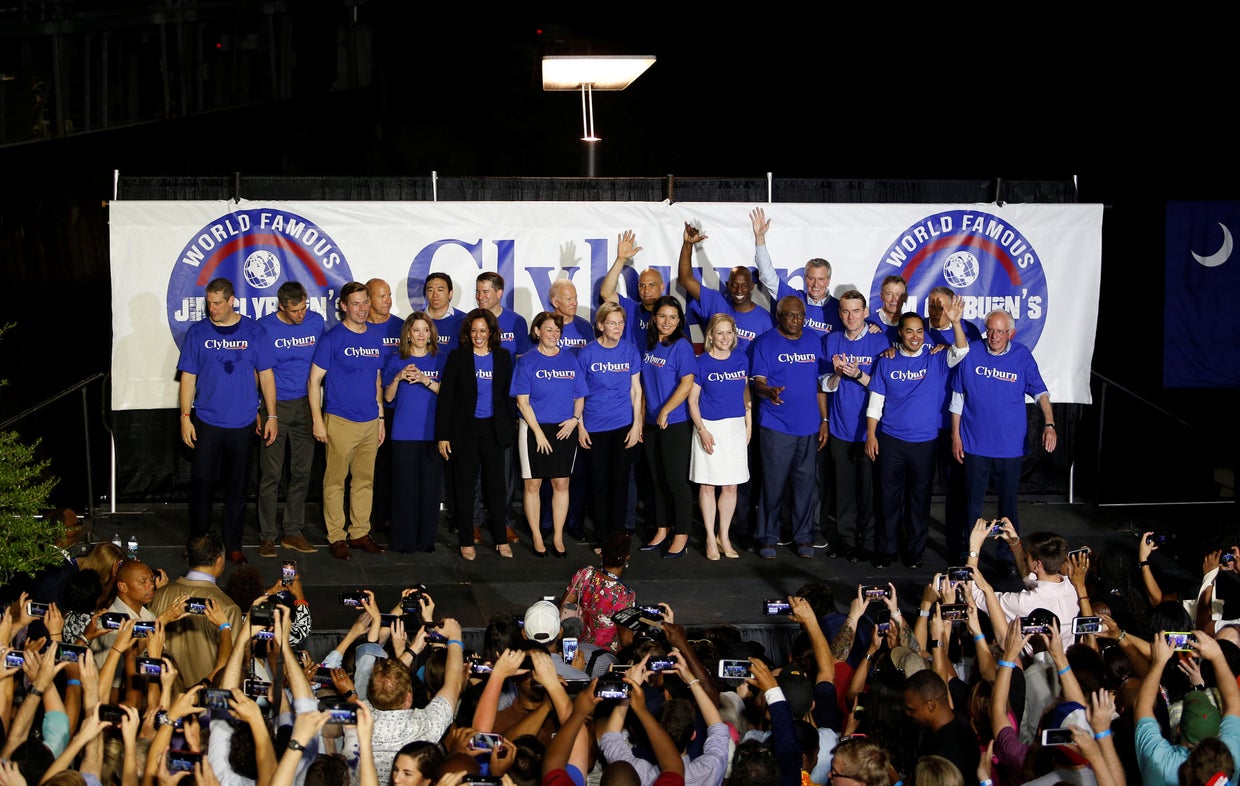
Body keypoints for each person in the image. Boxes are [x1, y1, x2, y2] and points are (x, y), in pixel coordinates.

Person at [177, 276, 277, 566]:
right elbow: (188, 378)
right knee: (202, 483)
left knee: (237, 486)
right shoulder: (197, 333)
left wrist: (271, 415)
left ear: (232, 301)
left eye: (218, 303)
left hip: (243, 423)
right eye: (209, 303)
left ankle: (232, 544)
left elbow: (267, 376)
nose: (212, 308)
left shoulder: (254, 331)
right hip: (207, 421)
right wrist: (185, 417)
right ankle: (198, 543)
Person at [950, 308, 1057, 571]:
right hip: (974, 443)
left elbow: (1041, 392)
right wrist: (955, 436)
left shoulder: (1021, 356)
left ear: (1011, 333)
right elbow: (957, 398)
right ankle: (970, 553)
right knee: (972, 503)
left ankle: (1007, 556)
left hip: (1009, 447)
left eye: (1000, 331)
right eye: (990, 330)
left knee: (1008, 505)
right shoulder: (971, 351)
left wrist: (1050, 424)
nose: (994, 336)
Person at [864, 308, 969, 569]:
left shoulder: (936, 358)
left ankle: (914, 551)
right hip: (891, 440)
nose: (915, 336)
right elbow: (876, 401)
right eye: (909, 331)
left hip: (925, 442)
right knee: (888, 499)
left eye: (920, 331)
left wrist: (955, 322)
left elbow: (962, 350)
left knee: (919, 500)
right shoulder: (886, 361)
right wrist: (871, 435)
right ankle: (887, 549)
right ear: (900, 333)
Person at [308, 281, 387, 561]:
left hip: (369, 420)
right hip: (339, 419)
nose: (362, 308)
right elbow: (314, 380)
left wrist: (380, 417)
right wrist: (318, 420)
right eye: (356, 303)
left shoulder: (375, 338)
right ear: (343, 306)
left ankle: (359, 533)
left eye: (365, 302)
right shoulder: (333, 339)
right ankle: (337, 536)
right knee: (335, 482)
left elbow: (377, 381)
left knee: (364, 481)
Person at [749, 296, 829, 560]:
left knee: (806, 485)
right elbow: (758, 382)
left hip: (808, 425)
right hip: (776, 425)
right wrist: (767, 391)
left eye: (800, 316)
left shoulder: (814, 340)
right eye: (790, 316)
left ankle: (803, 536)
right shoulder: (764, 343)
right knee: (773, 484)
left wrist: (824, 420)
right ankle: (768, 537)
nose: (796, 321)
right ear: (778, 316)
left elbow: (820, 385)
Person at [436, 308, 515, 561]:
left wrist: (508, 425)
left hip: (494, 429)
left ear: (491, 332)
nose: (478, 335)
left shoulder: (502, 357)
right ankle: (466, 539)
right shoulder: (458, 357)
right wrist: (443, 435)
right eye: (473, 331)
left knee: (496, 487)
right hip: (465, 431)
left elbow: (506, 397)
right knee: (465, 487)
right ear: (467, 333)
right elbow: (446, 398)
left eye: (483, 330)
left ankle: (501, 539)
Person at [510, 311, 588, 558]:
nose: (554, 335)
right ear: (537, 332)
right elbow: (522, 402)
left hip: (564, 430)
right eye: (549, 330)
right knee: (533, 484)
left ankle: (557, 536)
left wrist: (574, 421)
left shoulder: (569, 359)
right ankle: (536, 536)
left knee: (561, 483)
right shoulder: (527, 361)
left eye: (557, 331)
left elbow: (580, 396)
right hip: (534, 429)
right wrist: (538, 433)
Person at [822, 290, 890, 564]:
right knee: (844, 491)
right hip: (840, 428)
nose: (851, 316)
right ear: (840, 313)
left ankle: (869, 542)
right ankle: (847, 541)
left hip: (869, 431)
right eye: (846, 311)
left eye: (856, 311)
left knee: (869, 491)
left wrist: (859, 375)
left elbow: (885, 385)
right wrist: (837, 376)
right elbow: (823, 384)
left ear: (865, 312)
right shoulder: (831, 341)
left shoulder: (879, 340)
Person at [256, 280, 324, 557]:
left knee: (302, 472)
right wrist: (259, 410)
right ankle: (268, 536)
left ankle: (293, 531)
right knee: (271, 474)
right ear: (281, 306)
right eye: (295, 310)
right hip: (276, 406)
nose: (301, 314)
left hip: (306, 405)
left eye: (304, 307)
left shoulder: (316, 322)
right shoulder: (264, 327)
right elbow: (258, 370)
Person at [924, 286, 983, 563]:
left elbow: (969, 358)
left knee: (956, 491)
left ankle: (957, 546)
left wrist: (955, 328)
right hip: (922, 423)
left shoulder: (968, 330)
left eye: (942, 306)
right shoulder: (916, 328)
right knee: (916, 487)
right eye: (932, 305)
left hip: (956, 425)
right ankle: (912, 541)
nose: (937, 311)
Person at [687, 313, 751, 561]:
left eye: (729, 332)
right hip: (709, 428)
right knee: (707, 485)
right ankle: (709, 538)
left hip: (735, 427)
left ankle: (724, 536)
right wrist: (702, 430)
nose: (725, 337)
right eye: (720, 333)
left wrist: (748, 424)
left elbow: (746, 392)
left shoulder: (741, 359)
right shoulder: (701, 363)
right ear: (711, 336)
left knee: (731, 486)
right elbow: (692, 401)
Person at [577, 302, 643, 539]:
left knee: (620, 484)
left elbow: (636, 391)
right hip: (594, 428)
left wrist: (637, 425)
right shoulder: (587, 353)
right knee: (599, 485)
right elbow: (579, 393)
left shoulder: (630, 351)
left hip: (623, 427)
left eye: (621, 323)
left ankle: (617, 538)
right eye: (612, 323)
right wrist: (580, 426)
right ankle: (602, 536)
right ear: (601, 325)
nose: (618, 327)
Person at [382, 312, 446, 554]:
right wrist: (398, 377)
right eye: (416, 330)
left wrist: (423, 379)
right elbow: (388, 397)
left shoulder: (440, 360)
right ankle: (403, 541)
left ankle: (425, 540)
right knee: (403, 490)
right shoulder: (397, 359)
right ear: (408, 333)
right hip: (403, 434)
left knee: (429, 490)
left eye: (425, 330)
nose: (421, 334)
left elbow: (448, 394)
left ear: (431, 334)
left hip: (431, 434)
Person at [638, 295, 697, 559]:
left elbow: (686, 384)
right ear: (654, 318)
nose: (667, 321)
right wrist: (641, 420)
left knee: (676, 482)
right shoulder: (650, 345)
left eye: (673, 317)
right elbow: (643, 387)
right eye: (662, 316)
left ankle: (682, 534)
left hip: (674, 423)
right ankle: (662, 530)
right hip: (651, 423)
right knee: (656, 480)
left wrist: (665, 410)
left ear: (679, 321)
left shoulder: (681, 347)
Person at [966, 520, 1080, 652]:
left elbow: (974, 594)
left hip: (1028, 666)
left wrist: (974, 549)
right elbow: (1032, 579)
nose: (1025, 557)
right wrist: (1015, 544)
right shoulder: (1073, 588)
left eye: (1027, 557)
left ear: (1037, 565)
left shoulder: (1023, 603)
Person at [147, 531, 243, 686]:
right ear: (219, 561)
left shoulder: (158, 595)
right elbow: (233, 665)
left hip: (165, 692)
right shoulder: (227, 607)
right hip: (206, 699)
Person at [544, 278, 593, 540]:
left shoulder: (586, 328)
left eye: (575, 298)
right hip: (549, 409)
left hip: (580, 407)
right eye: (568, 298)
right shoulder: (546, 327)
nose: (574, 302)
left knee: (577, 473)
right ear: (555, 302)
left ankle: (574, 523)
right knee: (548, 470)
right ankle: (546, 521)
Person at [677, 221, 773, 352]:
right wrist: (688, 244)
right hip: (713, 371)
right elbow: (685, 279)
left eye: (744, 285)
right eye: (734, 285)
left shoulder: (765, 320)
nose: (739, 290)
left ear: (752, 286)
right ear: (728, 286)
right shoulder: (716, 301)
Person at [560, 531, 636, 654]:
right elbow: (627, 640)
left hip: (576, 650)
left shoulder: (584, 574)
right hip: (604, 656)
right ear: (627, 556)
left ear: (601, 554)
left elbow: (564, 607)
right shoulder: (625, 595)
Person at [368, 277, 404, 535]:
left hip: (397, 409)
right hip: (367, 409)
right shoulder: (358, 329)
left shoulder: (402, 328)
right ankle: (368, 519)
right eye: (382, 296)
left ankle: (391, 516)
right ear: (367, 300)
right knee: (369, 468)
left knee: (393, 467)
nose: (388, 300)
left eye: (389, 294)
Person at [902, 669, 981, 785]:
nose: (907, 713)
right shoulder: (958, 721)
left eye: (911, 709)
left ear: (931, 706)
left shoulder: (944, 754)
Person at [600, 229, 665, 351]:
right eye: (642, 285)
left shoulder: (671, 316)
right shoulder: (630, 308)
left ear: (662, 287)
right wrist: (621, 260)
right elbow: (606, 293)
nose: (646, 290)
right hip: (630, 369)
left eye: (652, 285)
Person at [423, 271, 465, 354]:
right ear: (426, 294)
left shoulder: (464, 320)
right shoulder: (415, 320)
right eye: (430, 290)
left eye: (440, 290)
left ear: (450, 293)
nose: (435, 295)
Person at [871, 275, 908, 342]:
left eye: (898, 294)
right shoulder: (868, 324)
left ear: (905, 298)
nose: (894, 299)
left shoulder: (910, 326)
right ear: (881, 296)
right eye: (889, 294)